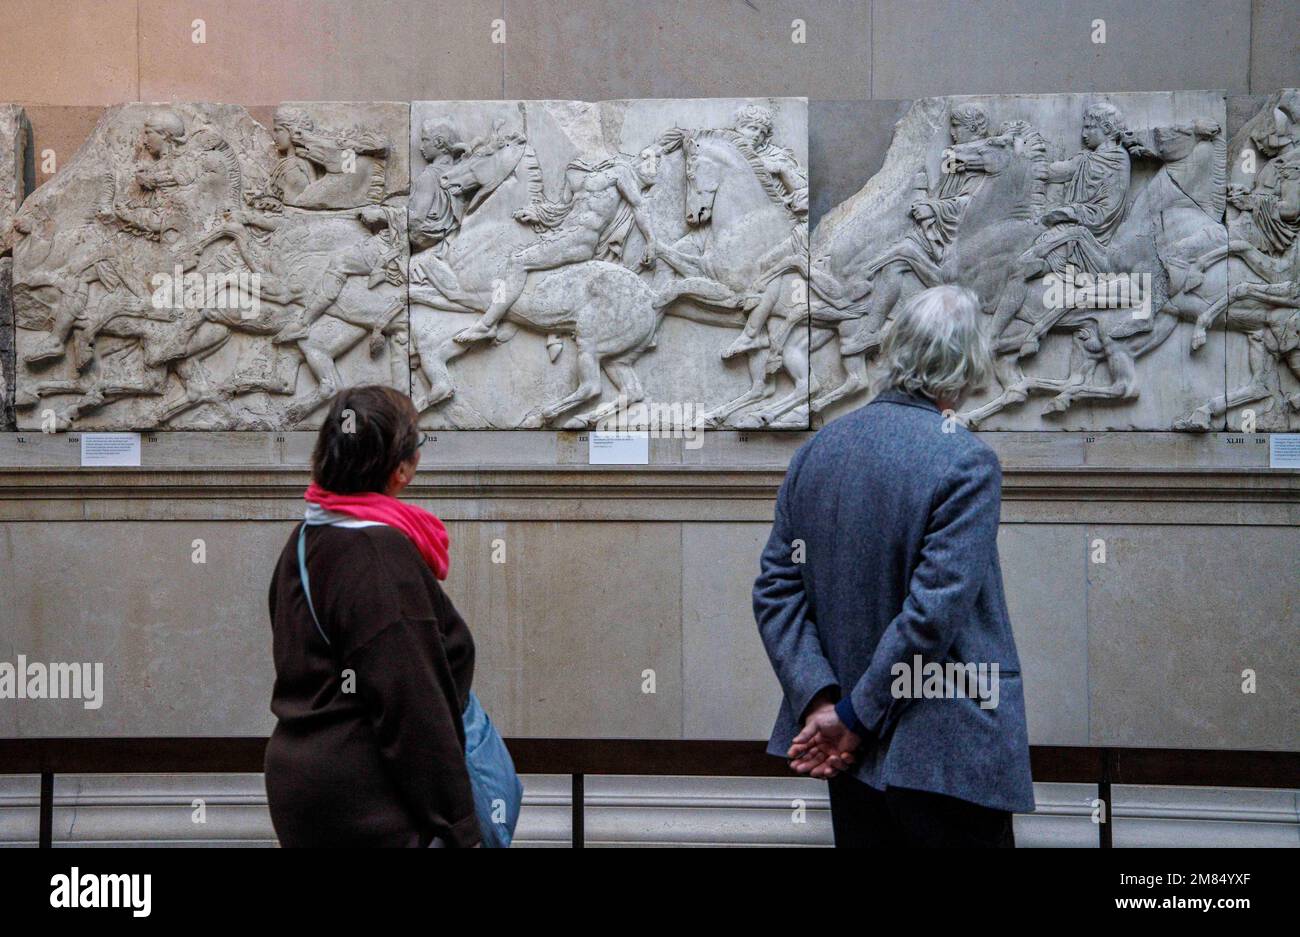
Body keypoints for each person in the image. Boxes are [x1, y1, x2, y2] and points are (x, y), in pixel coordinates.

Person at [754, 285, 1035, 847]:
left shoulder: (818, 450)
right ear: (967, 363)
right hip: (945, 755)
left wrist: (821, 701)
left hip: (848, 763)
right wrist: (852, 719)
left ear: (896, 348)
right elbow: (932, 615)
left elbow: (775, 591)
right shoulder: (967, 460)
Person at [264, 385, 480, 847]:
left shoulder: (306, 538)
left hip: (306, 786)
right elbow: (412, 703)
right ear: (401, 469)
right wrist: (459, 826)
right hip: (371, 806)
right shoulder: (378, 554)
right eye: (418, 443)